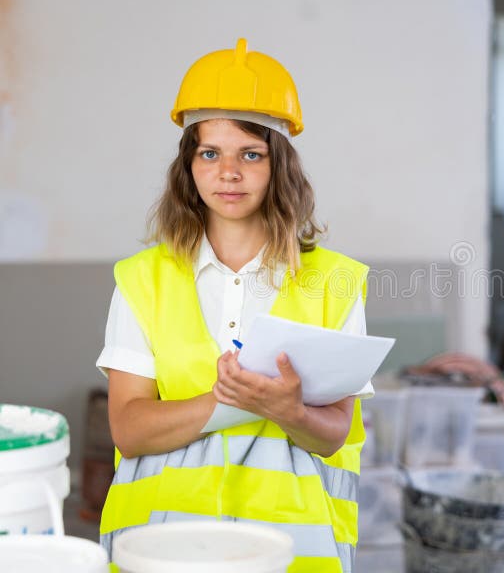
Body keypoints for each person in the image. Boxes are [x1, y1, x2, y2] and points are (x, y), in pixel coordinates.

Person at [95, 38, 371, 573]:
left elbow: (336, 434)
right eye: (209, 153)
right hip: (162, 549)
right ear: (189, 166)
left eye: (250, 153)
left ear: (279, 166)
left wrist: (289, 411)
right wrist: (239, 399)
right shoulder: (141, 280)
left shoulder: (336, 282)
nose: (229, 172)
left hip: (295, 549)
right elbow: (129, 430)